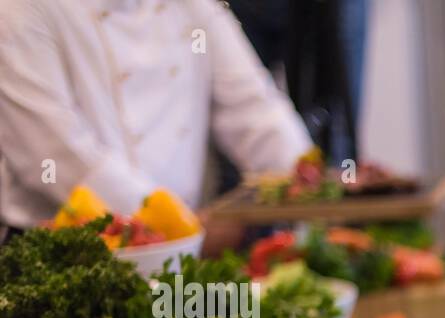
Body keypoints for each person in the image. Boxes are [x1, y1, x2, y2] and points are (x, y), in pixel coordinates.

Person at [0, 0, 312, 249]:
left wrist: (311, 186)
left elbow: (254, 108)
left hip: (180, 246)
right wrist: (181, 229)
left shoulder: (193, 7)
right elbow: (55, 155)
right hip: (65, 253)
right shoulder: (22, 9)